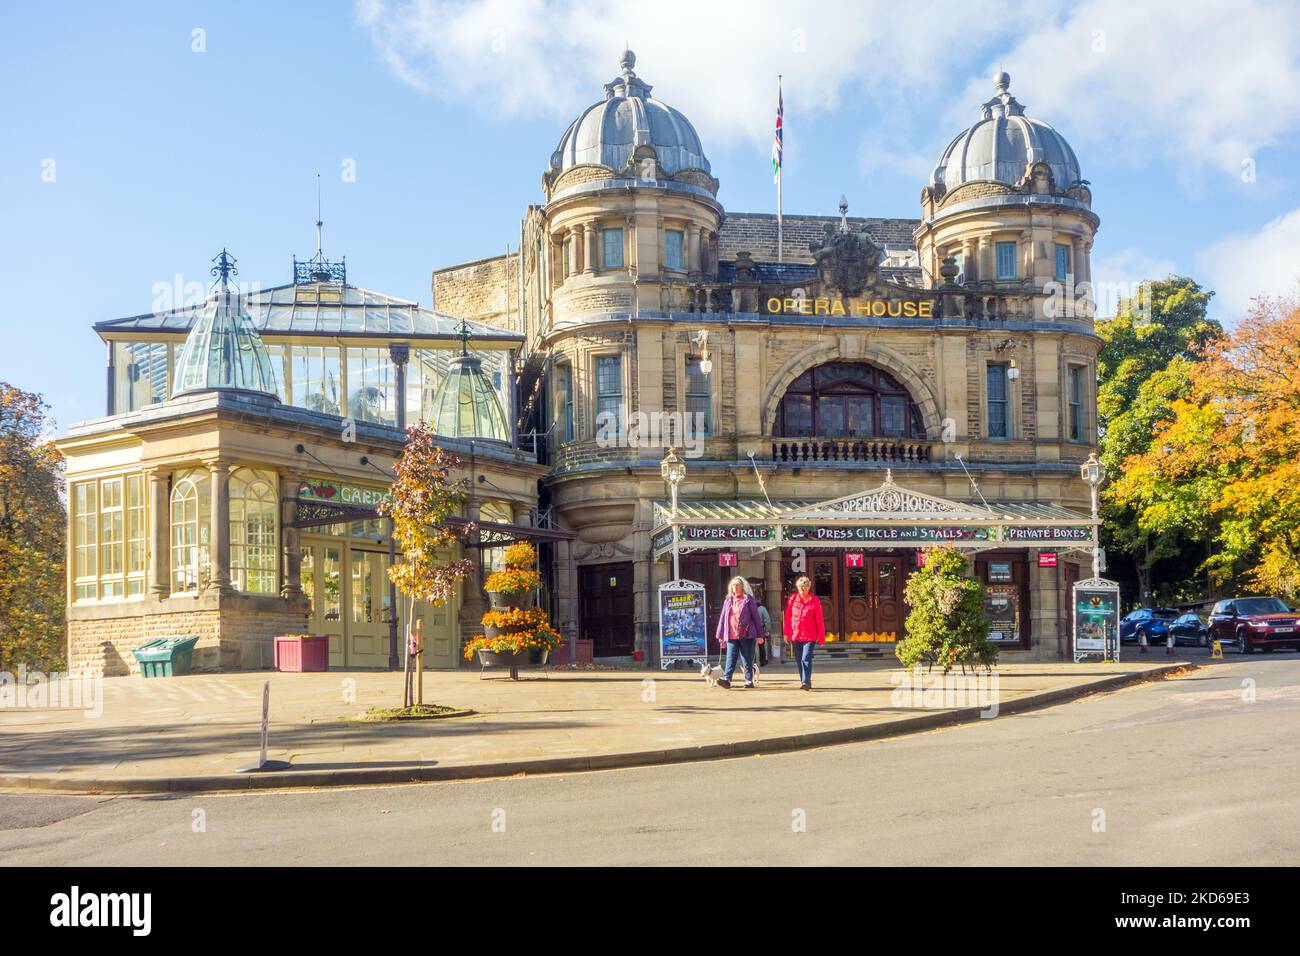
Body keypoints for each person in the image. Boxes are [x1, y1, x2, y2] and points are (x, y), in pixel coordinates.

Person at [714, 576, 764, 689]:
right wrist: (720, 635)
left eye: (737, 584)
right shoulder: (728, 600)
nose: (735, 586)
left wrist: (760, 635)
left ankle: (748, 681)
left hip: (746, 634)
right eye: (733, 585)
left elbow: (756, 617)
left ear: (742, 586)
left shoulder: (748, 599)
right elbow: (723, 618)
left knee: (747, 658)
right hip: (731, 634)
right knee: (731, 657)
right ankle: (727, 679)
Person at [784, 575, 825, 690]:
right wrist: (785, 633)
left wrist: (821, 636)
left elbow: (819, 620)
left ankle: (806, 681)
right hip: (795, 635)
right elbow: (788, 617)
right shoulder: (793, 599)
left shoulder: (814, 601)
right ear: (798, 587)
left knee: (805, 658)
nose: (803, 589)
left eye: (805, 586)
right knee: (798, 660)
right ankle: (804, 680)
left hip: (809, 636)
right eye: (801, 587)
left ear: (809, 587)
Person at [748, 578, 772, 667]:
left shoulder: (749, 608)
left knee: (751, 646)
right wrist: (767, 629)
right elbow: (767, 620)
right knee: (761, 646)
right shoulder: (762, 609)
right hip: (760, 629)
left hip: (751, 629)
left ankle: (752, 661)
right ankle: (762, 661)